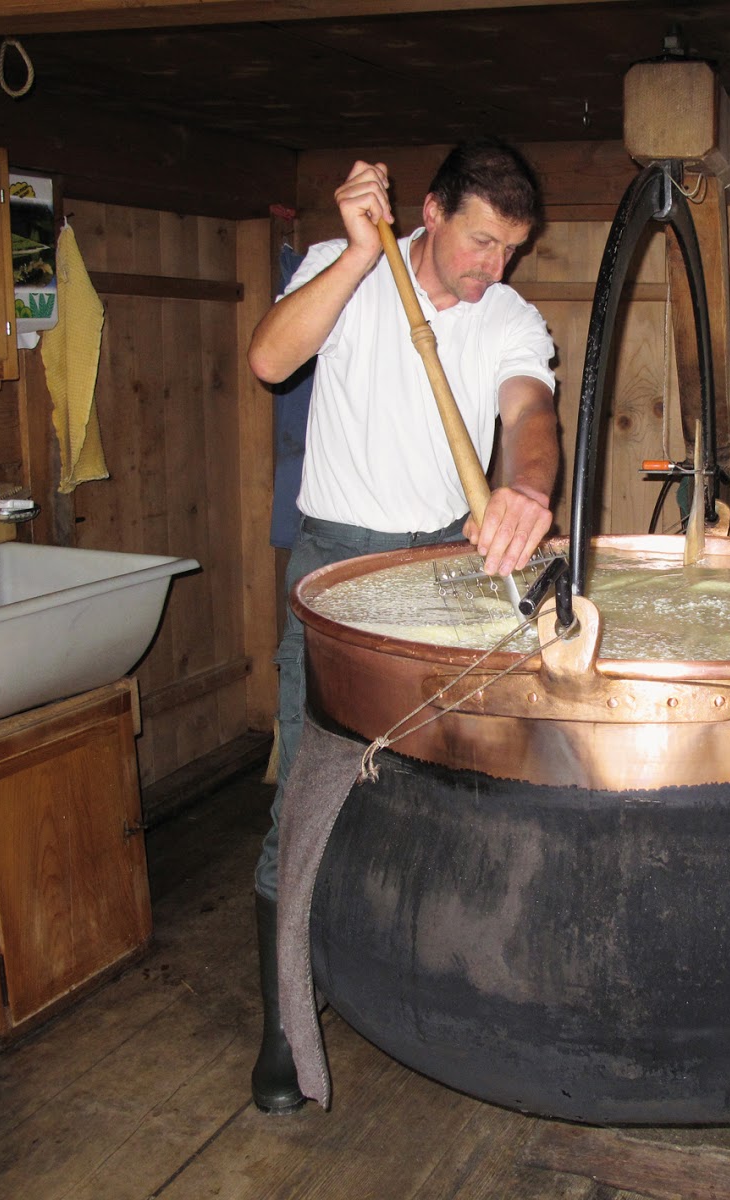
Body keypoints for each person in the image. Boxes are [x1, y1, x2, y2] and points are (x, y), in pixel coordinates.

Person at [245, 137, 559, 1113]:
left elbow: (532, 414)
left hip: (444, 560)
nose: (488, 268)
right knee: (307, 781)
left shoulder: (505, 314)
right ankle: (280, 1029)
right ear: (428, 212)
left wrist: (528, 491)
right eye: (476, 242)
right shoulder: (349, 274)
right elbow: (267, 359)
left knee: (438, 779)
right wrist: (349, 250)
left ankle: (415, 976)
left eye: (507, 249)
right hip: (337, 557)